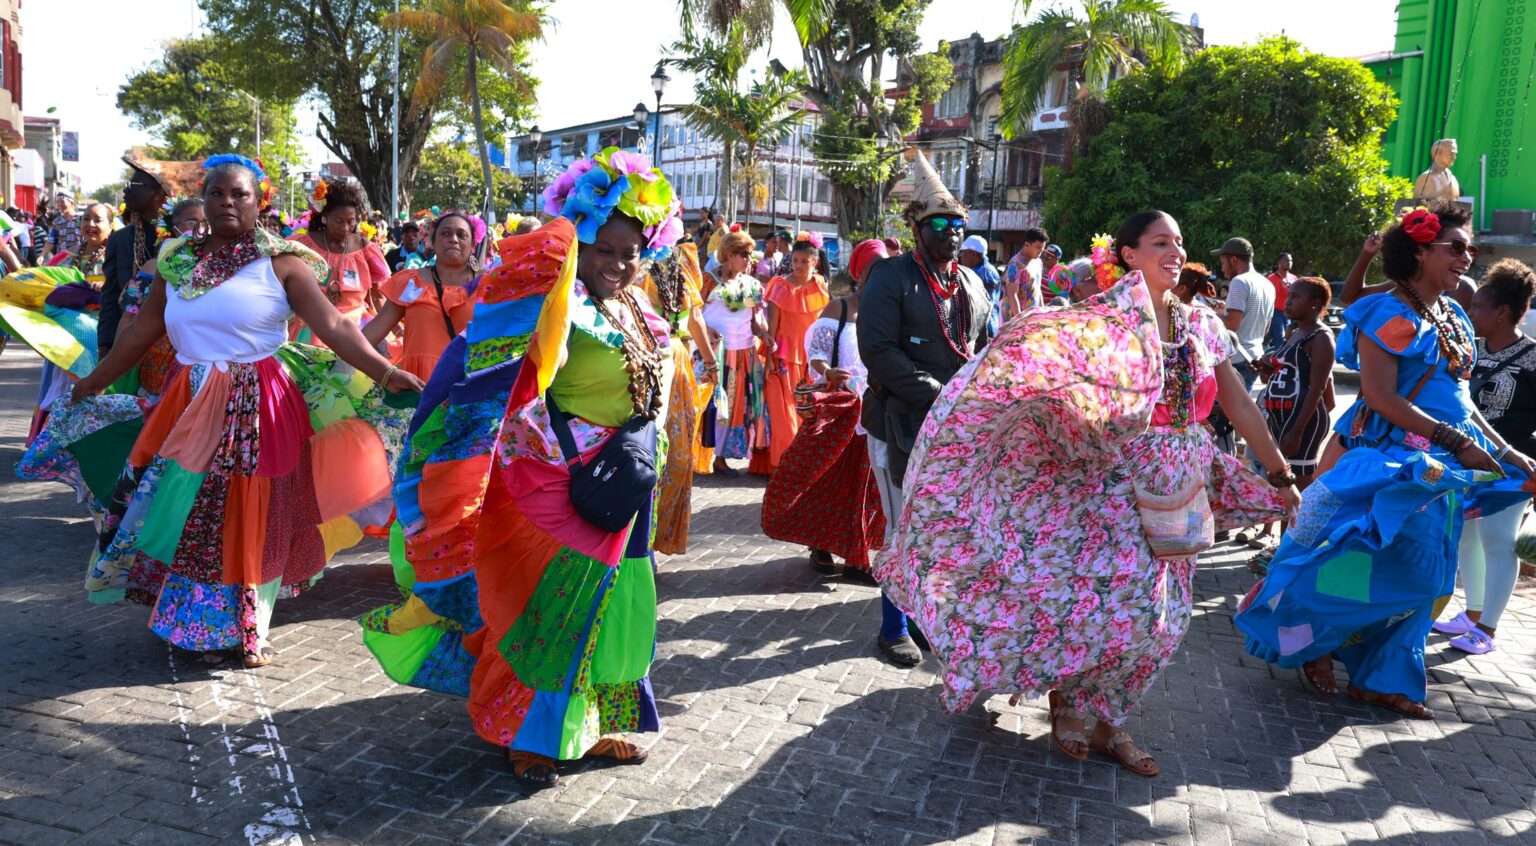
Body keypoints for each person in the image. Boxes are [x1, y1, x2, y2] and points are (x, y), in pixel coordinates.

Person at [877, 210, 1298, 777]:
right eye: (1159, 243)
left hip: (1182, 477)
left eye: (1178, 242)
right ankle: (1078, 707)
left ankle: (1106, 717)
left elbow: (1239, 403)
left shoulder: (1200, 323)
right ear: (1128, 254)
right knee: (1121, 604)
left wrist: (1280, 473)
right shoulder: (1102, 320)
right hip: (1115, 482)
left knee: (1168, 617)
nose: (1175, 252)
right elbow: (1040, 364)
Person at [360, 147, 682, 789]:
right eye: (603, 251)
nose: (618, 264)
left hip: (628, 480)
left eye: (630, 252)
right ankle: (525, 733)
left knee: (613, 605)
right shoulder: (556, 309)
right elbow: (492, 377)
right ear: (579, 246)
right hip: (560, 483)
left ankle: (590, 724)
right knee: (544, 611)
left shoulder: (641, 311)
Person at [70, 154, 421, 668]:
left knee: (248, 512)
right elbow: (141, 333)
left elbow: (338, 328)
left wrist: (386, 373)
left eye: (240, 195)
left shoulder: (283, 263)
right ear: (204, 200)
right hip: (187, 401)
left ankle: (238, 624)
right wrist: (93, 381)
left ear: (261, 203)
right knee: (190, 510)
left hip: (258, 405)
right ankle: (197, 617)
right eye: (217, 194)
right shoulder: (176, 261)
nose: (227, 203)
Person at [1235, 200, 1533, 719]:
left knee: (1432, 577)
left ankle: (1382, 676)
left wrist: (1507, 452)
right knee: (1354, 562)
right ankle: (1315, 640)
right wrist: (1454, 440)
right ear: (1420, 252)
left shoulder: (1454, 313)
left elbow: (1460, 399)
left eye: (1472, 249)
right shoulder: (1391, 312)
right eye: (1457, 248)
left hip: (1443, 466)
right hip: (1396, 462)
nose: (1468, 257)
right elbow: (1377, 395)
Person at [859, 150, 992, 668]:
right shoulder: (889, 277)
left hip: (956, 429)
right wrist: (941, 394)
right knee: (902, 528)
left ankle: (921, 618)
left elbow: (985, 349)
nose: (950, 232)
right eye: (938, 223)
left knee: (941, 529)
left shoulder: (975, 285)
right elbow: (878, 351)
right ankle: (892, 628)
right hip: (900, 422)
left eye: (957, 223)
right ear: (917, 229)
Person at [763, 238, 888, 577]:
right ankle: (820, 544)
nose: (881, 278)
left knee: (865, 487)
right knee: (825, 478)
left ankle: (856, 557)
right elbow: (815, 353)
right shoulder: (840, 308)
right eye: (874, 270)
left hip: (874, 411)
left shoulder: (891, 312)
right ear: (859, 274)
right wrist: (828, 371)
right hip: (839, 408)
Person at [1432, 259, 1536, 654]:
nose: (1470, 313)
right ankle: (1472, 614)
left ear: (1502, 312)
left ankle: (1488, 630)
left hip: (1513, 466)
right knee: (1467, 539)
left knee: (1498, 543)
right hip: (1468, 459)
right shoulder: (1469, 351)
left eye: (1477, 307)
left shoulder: (1532, 357)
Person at [641, 240, 719, 555]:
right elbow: (693, 320)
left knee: (669, 455)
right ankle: (646, 540)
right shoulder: (641, 275)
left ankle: (651, 536)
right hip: (658, 367)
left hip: (668, 367)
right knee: (661, 455)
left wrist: (711, 362)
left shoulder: (670, 275)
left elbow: (695, 319)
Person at [361, 212, 480, 381]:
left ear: (473, 245)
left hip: (468, 387)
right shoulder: (410, 281)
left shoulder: (487, 284)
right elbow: (372, 333)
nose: (453, 239)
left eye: (461, 235)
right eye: (445, 233)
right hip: (418, 388)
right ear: (432, 241)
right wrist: (335, 357)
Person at [755, 234, 831, 474]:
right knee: (784, 415)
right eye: (795, 260)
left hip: (813, 360)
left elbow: (824, 325)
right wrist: (768, 360)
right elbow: (773, 326)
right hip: (784, 358)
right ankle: (783, 468)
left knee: (807, 414)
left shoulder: (820, 285)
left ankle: (802, 468)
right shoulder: (779, 285)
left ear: (814, 262)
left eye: (804, 261)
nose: (798, 266)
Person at [701, 228, 769, 476]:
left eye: (751, 255)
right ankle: (707, 455)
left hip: (744, 354)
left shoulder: (750, 285)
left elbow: (752, 319)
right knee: (716, 407)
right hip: (717, 356)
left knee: (736, 407)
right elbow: (692, 315)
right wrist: (707, 330)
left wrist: (764, 335)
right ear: (729, 255)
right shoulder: (708, 281)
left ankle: (721, 457)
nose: (749, 260)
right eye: (745, 254)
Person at [290, 178, 390, 344]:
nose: (345, 227)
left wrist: (395, 329)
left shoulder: (366, 249)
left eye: (350, 221)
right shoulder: (302, 245)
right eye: (338, 221)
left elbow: (379, 295)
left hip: (358, 331)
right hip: (313, 331)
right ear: (324, 217)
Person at [1256, 277, 1335, 484]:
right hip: (1279, 416)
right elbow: (1272, 378)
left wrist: (1297, 431)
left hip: (1302, 420)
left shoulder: (1321, 338)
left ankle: (1304, 517)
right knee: (1281, 478)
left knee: (1299, 480)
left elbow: (1318, 387)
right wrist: (1265, 368)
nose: (1288, 301)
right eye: (1289, 295)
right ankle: (1288, 517)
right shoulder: (1293, 332)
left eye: (1296, 297)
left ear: (1315, 304)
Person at [100, 159, 171, 358]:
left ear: (158, 193)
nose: (126, 191)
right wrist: (105, 347)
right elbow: (110, 297)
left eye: (133, 185)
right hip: (129, 345)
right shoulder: (120, 240)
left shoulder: (184, 238)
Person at [1213, 236, 1274, 389]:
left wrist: (1207, 313)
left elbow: (1232, 324)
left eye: (1222, 263)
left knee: (1229, 412)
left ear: (1233, 260)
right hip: (1254, 356)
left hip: (1238, 359)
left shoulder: (1239, 281)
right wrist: (1224, 310)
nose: (1222, 268)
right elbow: (1266, 327)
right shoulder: (1267, 283)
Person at [959, 234, 1003, 333]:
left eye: (964, 252)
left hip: (982, 329)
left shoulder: (978, 274)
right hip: (991, 326)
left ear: (973, 254)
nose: (961, 256)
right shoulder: (990, 270)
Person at [1003, 227, 1047, 321]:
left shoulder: (1038, 262)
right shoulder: (1015, 264)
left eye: (1043, 248)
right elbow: (1012, 295)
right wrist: (1019, 321)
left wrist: (1042, 312)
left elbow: (1038, 290)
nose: (1041, 251)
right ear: (1027, 244)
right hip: (1014, 319)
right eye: (1038, 247)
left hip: (1032, 318)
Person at [1265, 252, 1297, 349]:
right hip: (1275, 312)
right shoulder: (1271, 279)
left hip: (1289, 314)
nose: (1290, 262)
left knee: (1288, 339)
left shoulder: (1294, 278)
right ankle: (1278, 362)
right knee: (1280, 340)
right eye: (1287, 260)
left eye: (1291, 260)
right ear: (1279, 262)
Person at [45, 194, 81, 262]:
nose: (59, 204)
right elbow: (50, 241)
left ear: (71, 203)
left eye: (62, 201)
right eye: (57, 202)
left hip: (78, 258)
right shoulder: (56, 222)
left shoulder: (81, 220)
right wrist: (42, 255)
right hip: (62, 260)